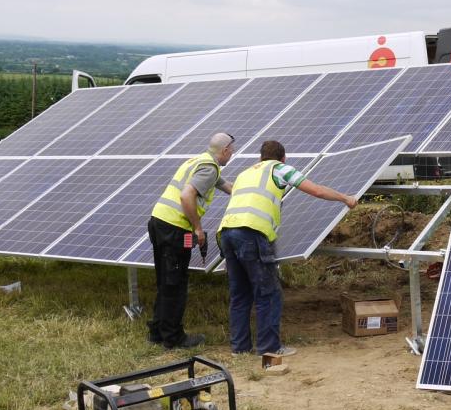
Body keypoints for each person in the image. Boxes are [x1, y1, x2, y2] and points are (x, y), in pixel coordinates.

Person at [219, 140, 357, 356]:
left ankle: (240, 348)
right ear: (283, 158)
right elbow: (317, 191)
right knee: (268, 293)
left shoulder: (245, 173)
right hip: (252, 233)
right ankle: (269, 348)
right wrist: (345, 198)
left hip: (227, 232)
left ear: (260, 158)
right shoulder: (280, 169)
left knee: (240, 294)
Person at [146, 133, 236, 348]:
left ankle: (158, 332)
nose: (233, 154)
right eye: (232, 150)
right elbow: (186, 196)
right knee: (176, 282)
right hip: (176, 230)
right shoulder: (209, 168)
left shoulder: (199, 161)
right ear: (224, 151)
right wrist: (198, 228)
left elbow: (227, 187)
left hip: (159, 223)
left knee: (166, 280)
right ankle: (173, 337)